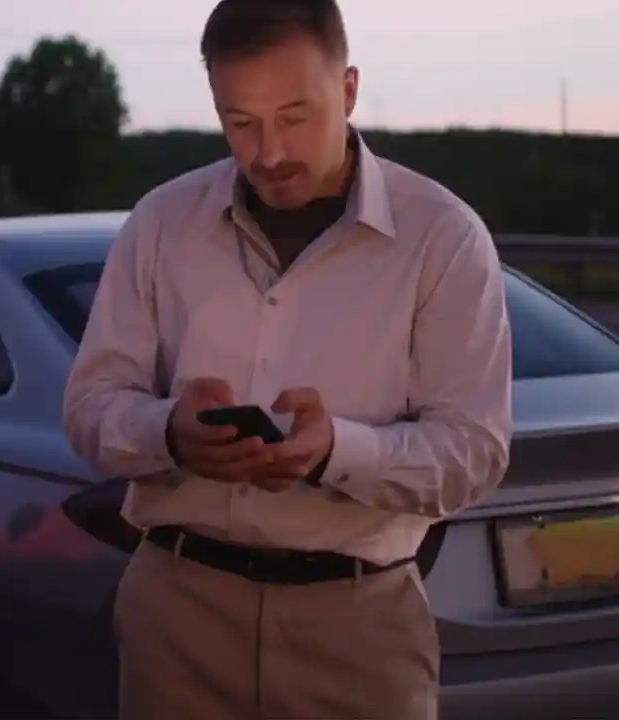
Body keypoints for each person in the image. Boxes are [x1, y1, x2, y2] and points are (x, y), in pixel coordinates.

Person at [61, 1, 513, 718]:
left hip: (359, 627)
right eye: (241, 122)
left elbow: (473, 453)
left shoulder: (443, 239)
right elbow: (88, 410)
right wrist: (171, 432)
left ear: (351, 89)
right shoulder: (160, 224)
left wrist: (337, 448)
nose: (268, 151)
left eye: (296, 116)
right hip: (178, 614)